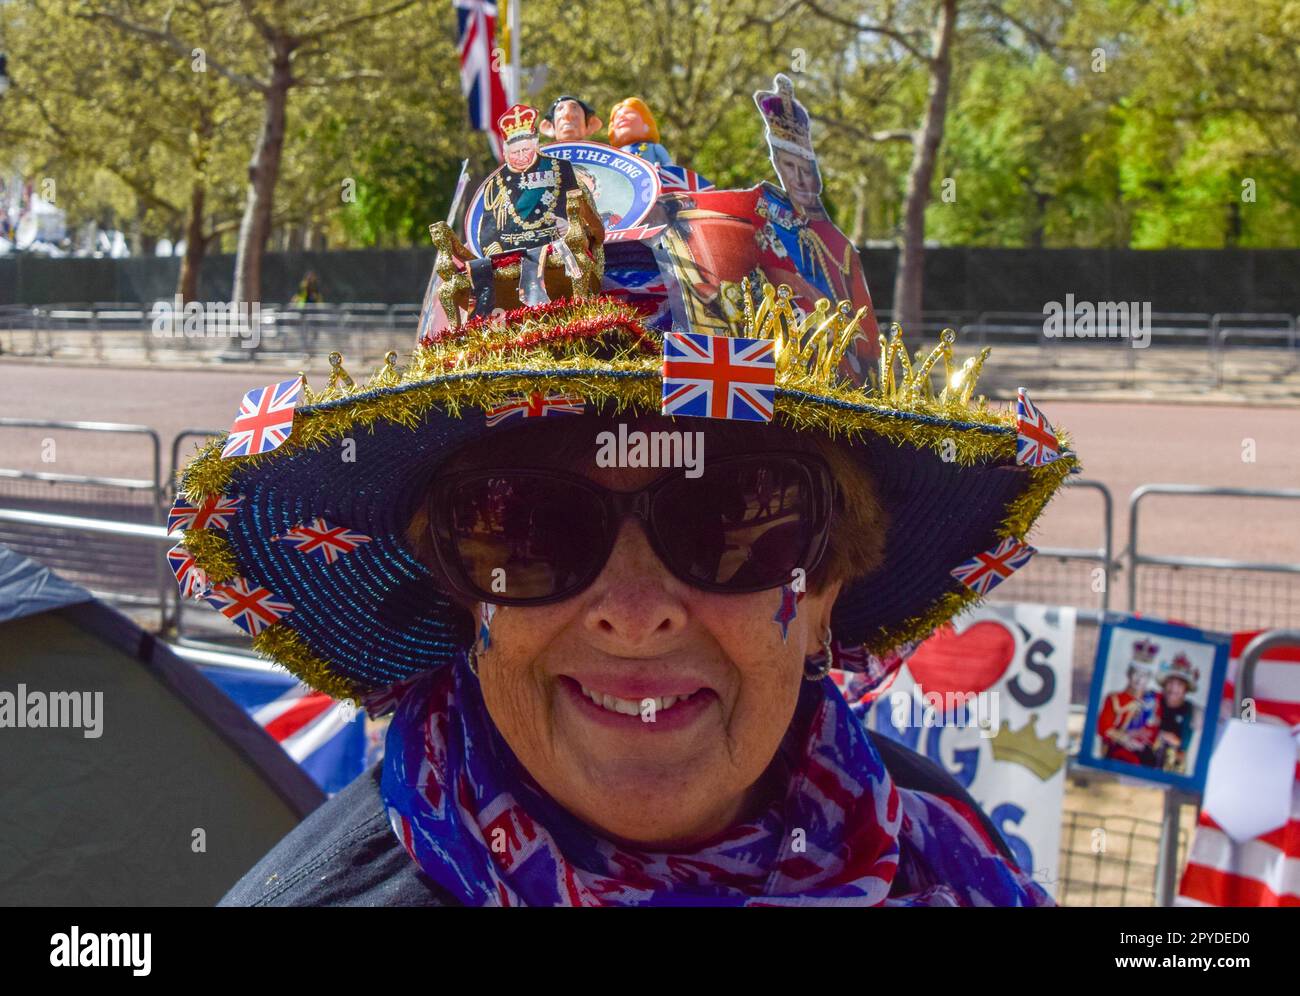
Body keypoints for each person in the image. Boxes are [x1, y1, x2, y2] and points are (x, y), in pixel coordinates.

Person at [175, 93, 1077, 910]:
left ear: (826, 591)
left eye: (733, 520)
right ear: (456, 587)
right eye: (524, 529)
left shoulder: (946, 843)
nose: (634, 615)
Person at [607, 97, 673, 165]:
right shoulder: (615, 155)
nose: (622, 117)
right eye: (617, 117)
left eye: (628, 112)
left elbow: (669, 167)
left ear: (646, 122)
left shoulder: (654, 148)